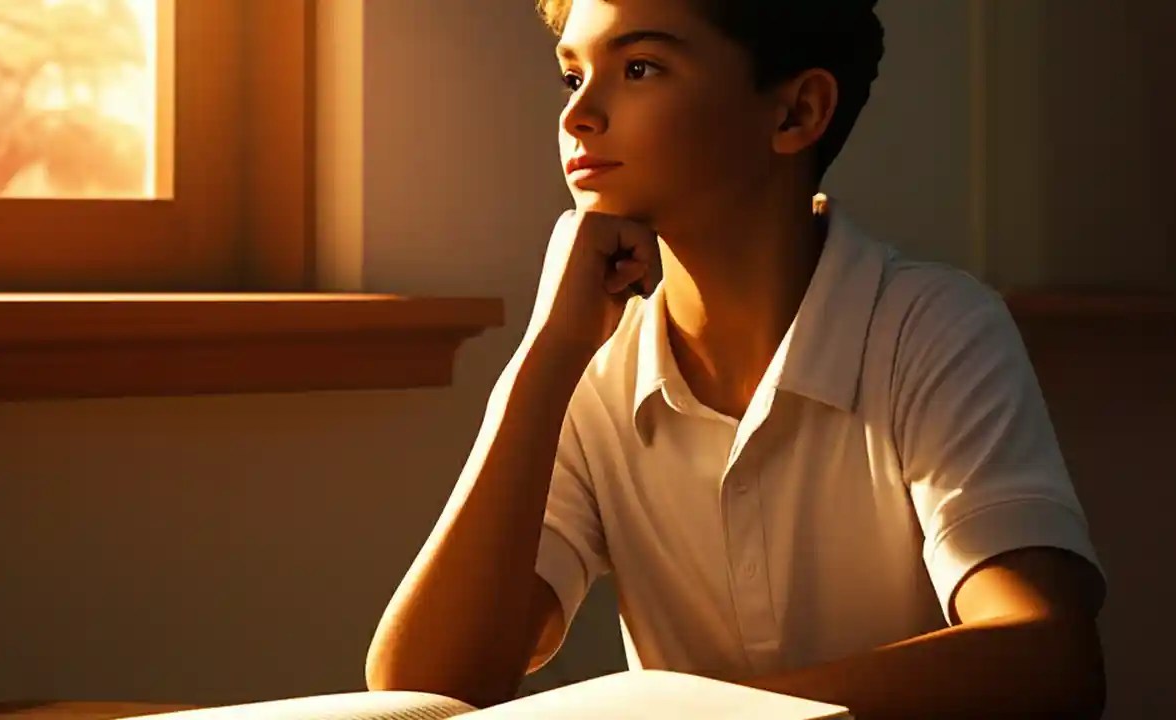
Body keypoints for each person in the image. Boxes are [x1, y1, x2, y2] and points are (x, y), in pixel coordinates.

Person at [366, 0, 1108, 716]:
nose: (577, 116)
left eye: (641, 68)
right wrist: (544, 355)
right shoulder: (596, 365)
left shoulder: (932, 329)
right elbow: (425, 688)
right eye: (572, 75)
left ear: (796, 113)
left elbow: (1046, 660)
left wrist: (705, 719)